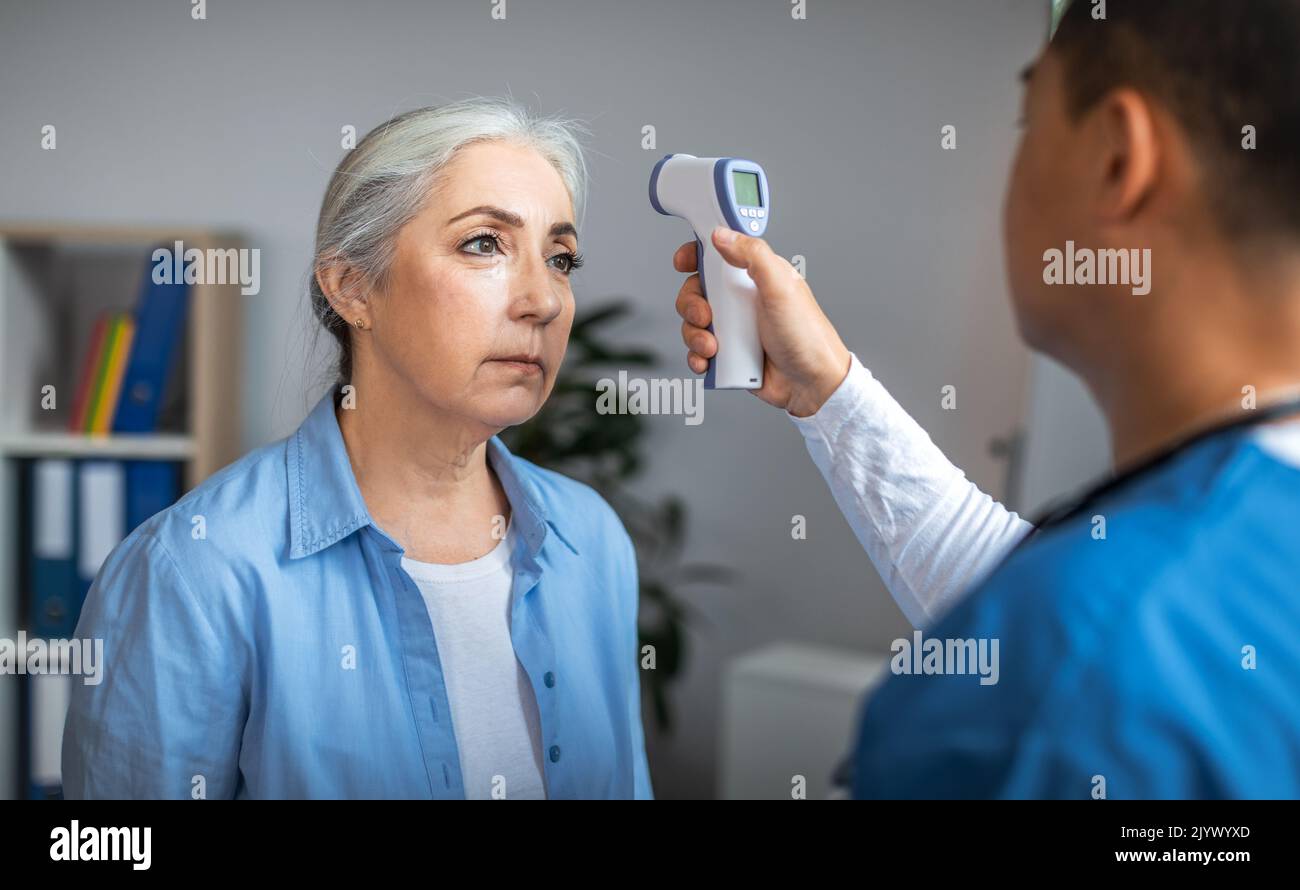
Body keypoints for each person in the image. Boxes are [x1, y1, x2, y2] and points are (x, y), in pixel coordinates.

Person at [673, 0, 1300, 798]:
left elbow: (1059, 638)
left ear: (1117, 158)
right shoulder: (1196, 571)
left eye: (1026, 122)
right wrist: (824, 390)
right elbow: (1027, 588)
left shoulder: (1068, 684)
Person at [63, 98, 652, 800]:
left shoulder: (592, 540)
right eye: (484, 244)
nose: (544, 301)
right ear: (352, 289)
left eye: (561, 258)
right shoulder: (194, 571)